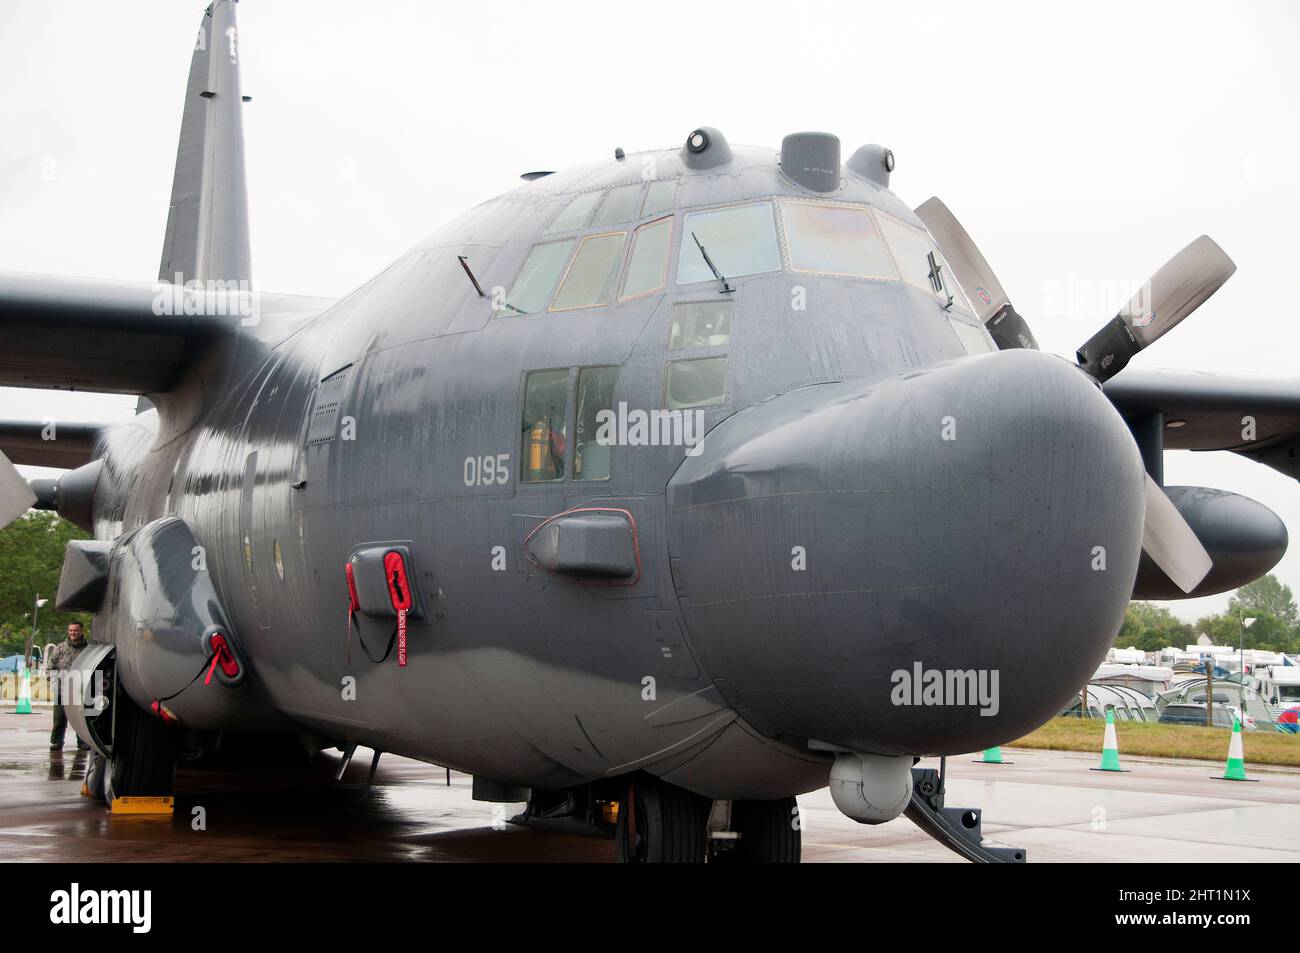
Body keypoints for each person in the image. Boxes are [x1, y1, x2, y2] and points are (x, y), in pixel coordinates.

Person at [47, 621, 90, 751]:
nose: (72, 633)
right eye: (70, 630)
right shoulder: (60, 647)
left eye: (75, 630)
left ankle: (83, 742)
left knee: (80, 718)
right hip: (62, 688)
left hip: (80, 688)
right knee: (59, 718)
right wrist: (54, 682)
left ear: (82, 631)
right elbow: (51, 665)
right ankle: (57, 742)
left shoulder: (88, 648)